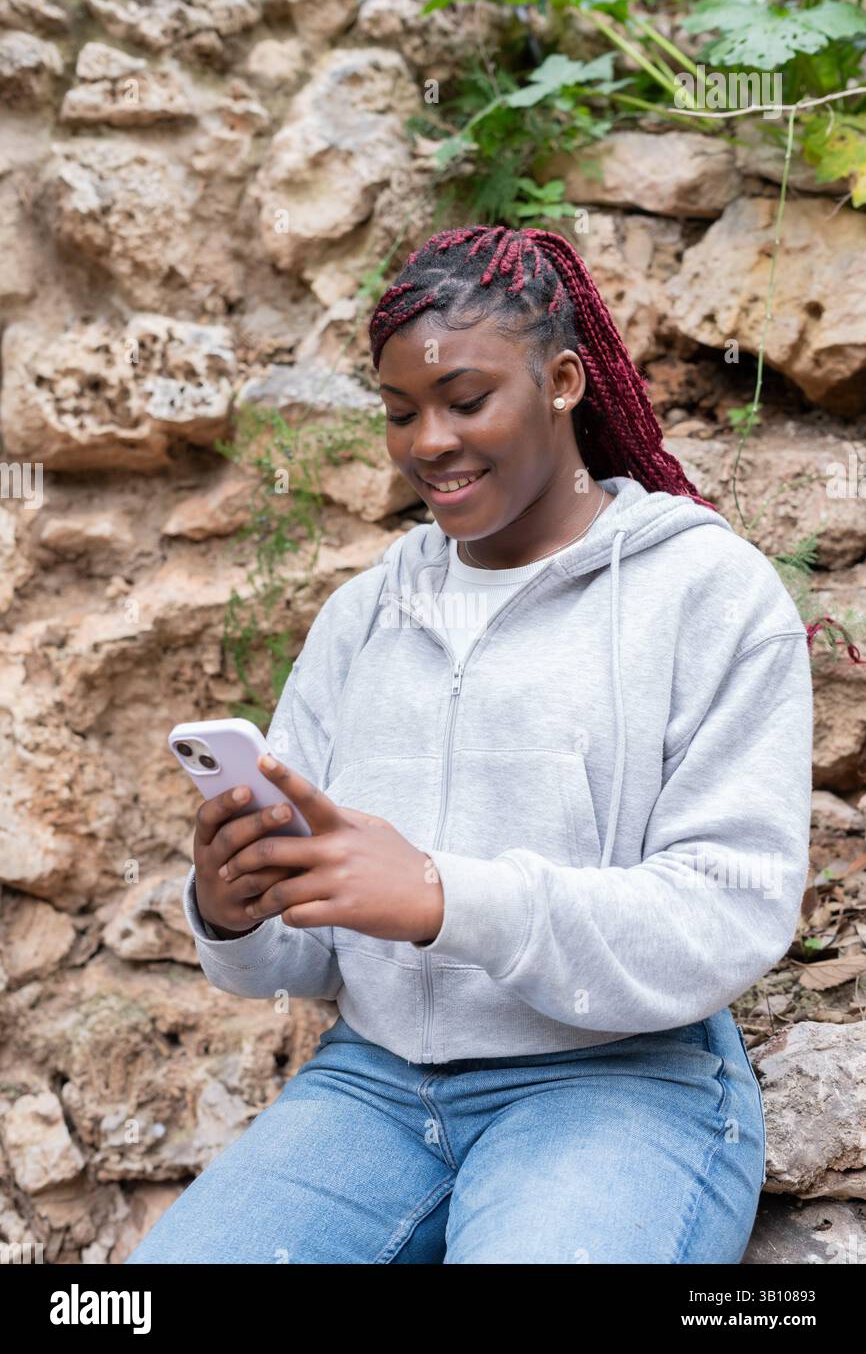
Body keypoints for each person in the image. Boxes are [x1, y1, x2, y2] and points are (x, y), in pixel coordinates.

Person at [126, 225, 814, 1265]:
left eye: (465, 400)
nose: (427, 442)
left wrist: (448, 897)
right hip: (373, 1084)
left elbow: (727, 905)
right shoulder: (365, 614)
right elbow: (303, 959)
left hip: (618, 1083)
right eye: (400, 412)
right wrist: (234, 910)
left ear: (564, 381)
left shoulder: (703, 594)